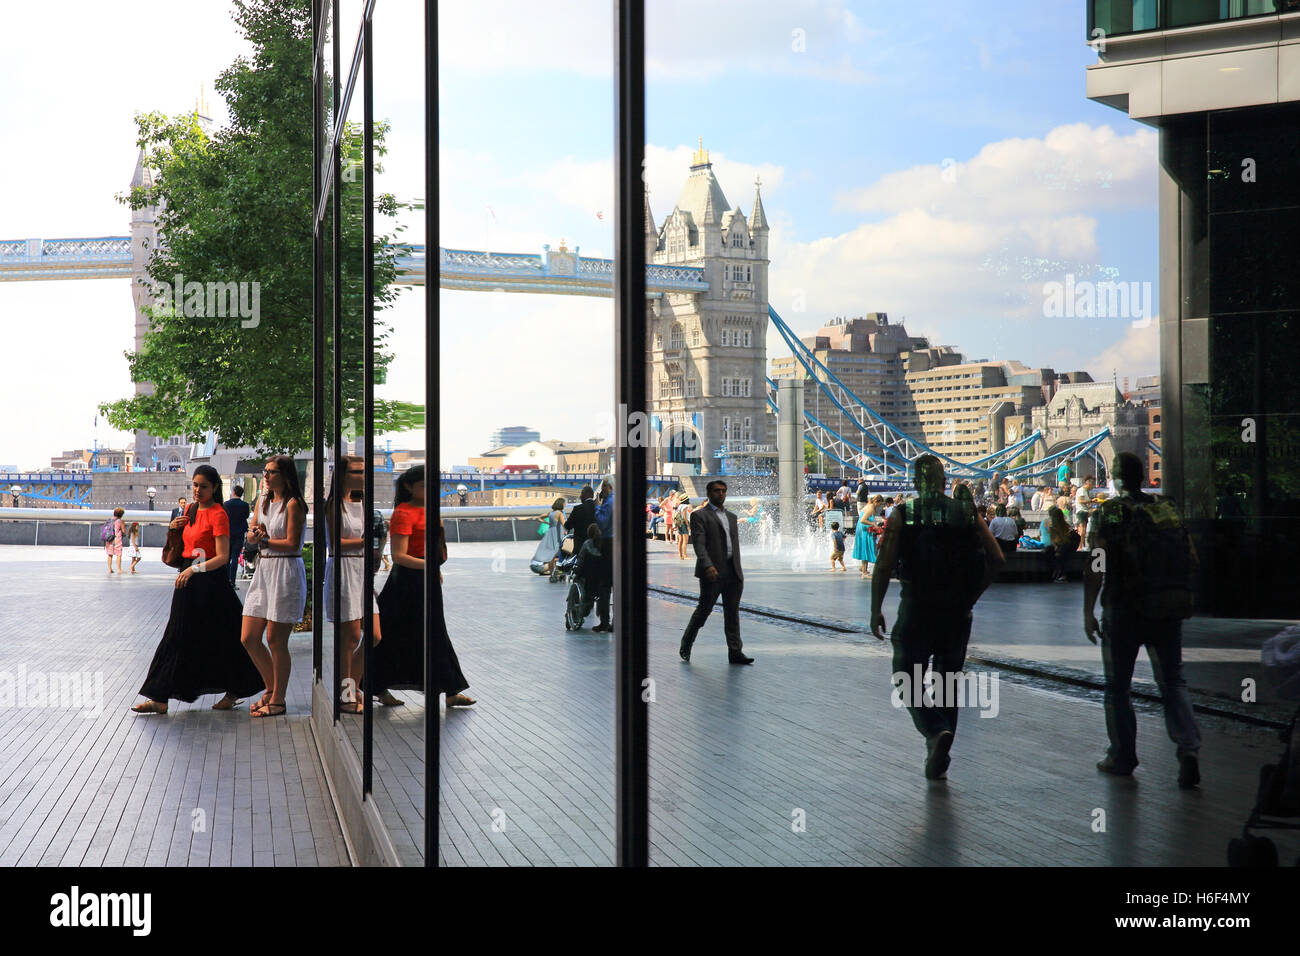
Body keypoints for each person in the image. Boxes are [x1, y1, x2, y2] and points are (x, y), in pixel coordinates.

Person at [871, 455, 1004, 779]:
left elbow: (884, 565)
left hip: (917, 606)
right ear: (944, 481)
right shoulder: (966, 512)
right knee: (947, 683)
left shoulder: (903, 514)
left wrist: (875, 609)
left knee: (905, 673)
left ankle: (934, 731)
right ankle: (939, 757)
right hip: (957, 611)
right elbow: (997, 558)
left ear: (915, 483)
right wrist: (972, 596)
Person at [1084, 452, 1201, 788]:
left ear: (1116, 477)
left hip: (1124, 608)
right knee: (1173, 681)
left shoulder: (1109, 511)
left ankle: (1122, 757)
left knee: (1118, 687)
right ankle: (1188, 748)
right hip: (1167, 606)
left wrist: (1088, 610)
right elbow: (1192, 558)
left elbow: (1097, 562)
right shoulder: (1165, 507)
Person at [132, 465, 264, 715]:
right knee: (176, 635)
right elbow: (186, 546)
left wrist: (194, 569)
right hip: (188, 579)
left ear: (214, 488)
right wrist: (174, 528)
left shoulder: (219, 514)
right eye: (195, 485)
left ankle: (235, 690)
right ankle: (159, 697)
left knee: (224, 636)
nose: (197, 490)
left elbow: (223, 556)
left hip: (209, 581)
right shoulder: (190, 510)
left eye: (203, 486)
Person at [373, 466, 475, 708]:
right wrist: (430, 567)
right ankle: (377, 686)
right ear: (409, 487)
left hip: (425, 578)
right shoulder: (404, 512)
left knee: (434, 632)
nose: (430, 490)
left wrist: (433, 568)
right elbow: (398, 556)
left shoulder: (431, 510)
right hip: (406, 582)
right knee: (395, 633)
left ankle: (450, 689)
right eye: (423, 485)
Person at [239, 456, 307, 718]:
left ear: (285, 475)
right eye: (265, 471)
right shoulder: (263, 500)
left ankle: (278, 699)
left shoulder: (294, 504)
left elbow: (292, 544)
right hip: (264, 569)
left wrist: (265, 540)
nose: (266, 475)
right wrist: (255, 536)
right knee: (248, 637)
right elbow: (250, 533)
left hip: (285, 571)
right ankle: (271, 689)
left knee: (276, 640)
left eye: (272, 472)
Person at [325, 455, 382, 714]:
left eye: (363, 471)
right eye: (356, 472)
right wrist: (364, 542)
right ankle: (346, 694)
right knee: (349, 639)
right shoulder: (334, 505)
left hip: (361, 570)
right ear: (343, 475)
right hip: (344, 568)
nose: (362, 476)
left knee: (374, 635)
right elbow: (335, 543)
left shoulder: (362, 503)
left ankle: (353, 685)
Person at [679, 480, 752, 665]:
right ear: (709, 493)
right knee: (704, 610)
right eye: (717, 491)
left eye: (723, 491)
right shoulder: (699, 515)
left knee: (732, 613)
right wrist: (707, 565)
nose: (721, 494)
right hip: (712, 572)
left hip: (733, 572)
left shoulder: (732, 517)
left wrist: (739, 570)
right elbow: (699, 544)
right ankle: (687, 642)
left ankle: (735, 652)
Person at [592, 480, 615, 632]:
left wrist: (597, 507)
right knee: (617, 585)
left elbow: (602, 523)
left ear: (609, 487)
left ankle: (604, 622)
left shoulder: (609, 502)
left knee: (604, 585)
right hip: (618, 543)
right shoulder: (618, 499)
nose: (601, 491)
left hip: (608, 543)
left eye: (603, 487)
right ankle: (616, 621)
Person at [223, 485, 251, 587]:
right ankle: (232, 581)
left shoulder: (226, 504)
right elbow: (246, 516)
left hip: (227, 534)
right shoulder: (245, 505)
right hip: (239, 534)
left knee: (226, 558)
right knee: (235, 558)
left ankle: (225, 581)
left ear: (233, 492)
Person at [533, 496, 568, 575]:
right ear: (561, 504)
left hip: (550, 535)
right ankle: (558, 572)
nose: (565, 505)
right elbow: (565, 525)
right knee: (560, 555)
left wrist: (548, 523)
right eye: (564, 504)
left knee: (552, 556)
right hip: (558, 535)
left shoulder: (551, 513)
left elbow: (539, 518)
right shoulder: (560, 513)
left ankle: (552, 573)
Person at [852, 495, 884, 578]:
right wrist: (873, 524)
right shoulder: (870, 508)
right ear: (876, 501)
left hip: (864, 529)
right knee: (865, 548)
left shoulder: (870, 506)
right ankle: (864, 573)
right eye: (880, 504)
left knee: (865, 548)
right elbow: (862, 520)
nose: (880, 506)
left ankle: (864, 569)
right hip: (864, 529)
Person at [1043, 505, 1077, 582]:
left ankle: (1056, 573)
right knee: (1060, 553)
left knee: (1055, 553)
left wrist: (1056, 547)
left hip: (1061, 546)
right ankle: (1060, 574)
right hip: (1066, 545)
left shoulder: (1052, 527)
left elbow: (1053, 540)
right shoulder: (1066, 525)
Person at [565, 485, 597, 557]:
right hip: (596, 546)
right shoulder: (598, 508)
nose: (580, 497)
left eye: (582, 494)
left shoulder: (577, 509)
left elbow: (567, 526)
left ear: (586, 494)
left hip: (580, 547)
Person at [1074, 475, 1097, 541]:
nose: (1093, 487)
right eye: (1093, 485)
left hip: (1085, 511)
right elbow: (1080, 501)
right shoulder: (1082, 490)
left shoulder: (1086, 491)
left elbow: (1085, 502)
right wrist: (1091, 500)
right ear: (1088, 484)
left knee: (1084, 530)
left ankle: (1082, 544)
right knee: (1082, 530)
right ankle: (1080, 545)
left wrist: (1091, 503)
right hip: (1082, 511)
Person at [104, 507, 125, 574]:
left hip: (109, 539)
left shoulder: (109, 520)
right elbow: (123, 531)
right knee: (118, 554)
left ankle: (110, 569)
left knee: (110, 554)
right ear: (121, 514)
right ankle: (119, 569)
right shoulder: (120, 521)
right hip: (117, 539)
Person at [675, 492, 692, 560]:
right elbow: (685, 517)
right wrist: (688, 525)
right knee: (685, 541)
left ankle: (680, 555)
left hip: (679, 523)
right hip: (684, 523)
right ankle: (685, 555)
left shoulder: (679, 506)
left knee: (680, 540)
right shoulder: (685, 506)